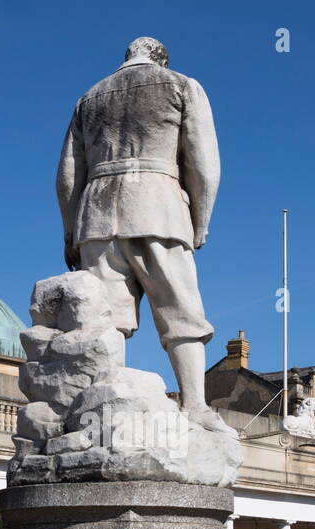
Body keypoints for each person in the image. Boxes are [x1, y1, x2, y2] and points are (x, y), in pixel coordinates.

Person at [55, 36, 233, 437]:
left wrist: (70, 229)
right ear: (160, 58)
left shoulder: (89, 98)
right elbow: (204, 160)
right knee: (180, 311)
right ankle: (195, 406)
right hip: (159, 206)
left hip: (96, 215)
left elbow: (68, 174)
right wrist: (201, 220)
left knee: (106, 321)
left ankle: (102, 407)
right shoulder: (181, 85)